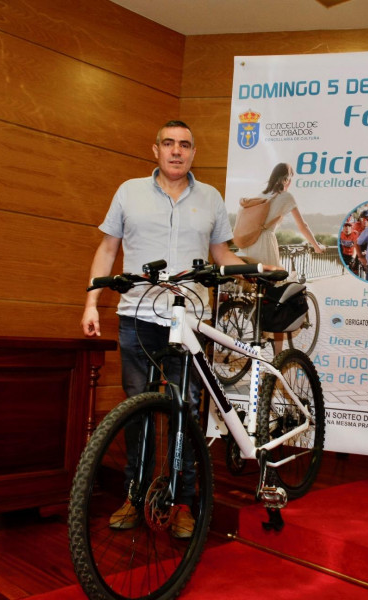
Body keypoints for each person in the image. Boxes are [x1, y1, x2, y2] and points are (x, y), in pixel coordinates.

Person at [81, 120, 251, 539]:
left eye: (186, 145)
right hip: (136, 318)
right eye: (169, 144)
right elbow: (107, 249)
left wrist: (256, 273)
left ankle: (182, 503)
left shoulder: (210, 198)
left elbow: (221, 253)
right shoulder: (128, 191)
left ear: (194, 153)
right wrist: (90, 302)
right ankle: (135, 497)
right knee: (137, 413)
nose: (177, 151)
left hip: (188, 323)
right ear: (155, 149)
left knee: (186, 413)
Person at [236, 162, 324, 267]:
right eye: (290, 177)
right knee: (269, 279)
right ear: (286, 179)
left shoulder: (261, 195)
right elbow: (302, 226)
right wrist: (316, 247)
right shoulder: (286, 197)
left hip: (248, 243)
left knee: (249, 280)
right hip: (264, 244)